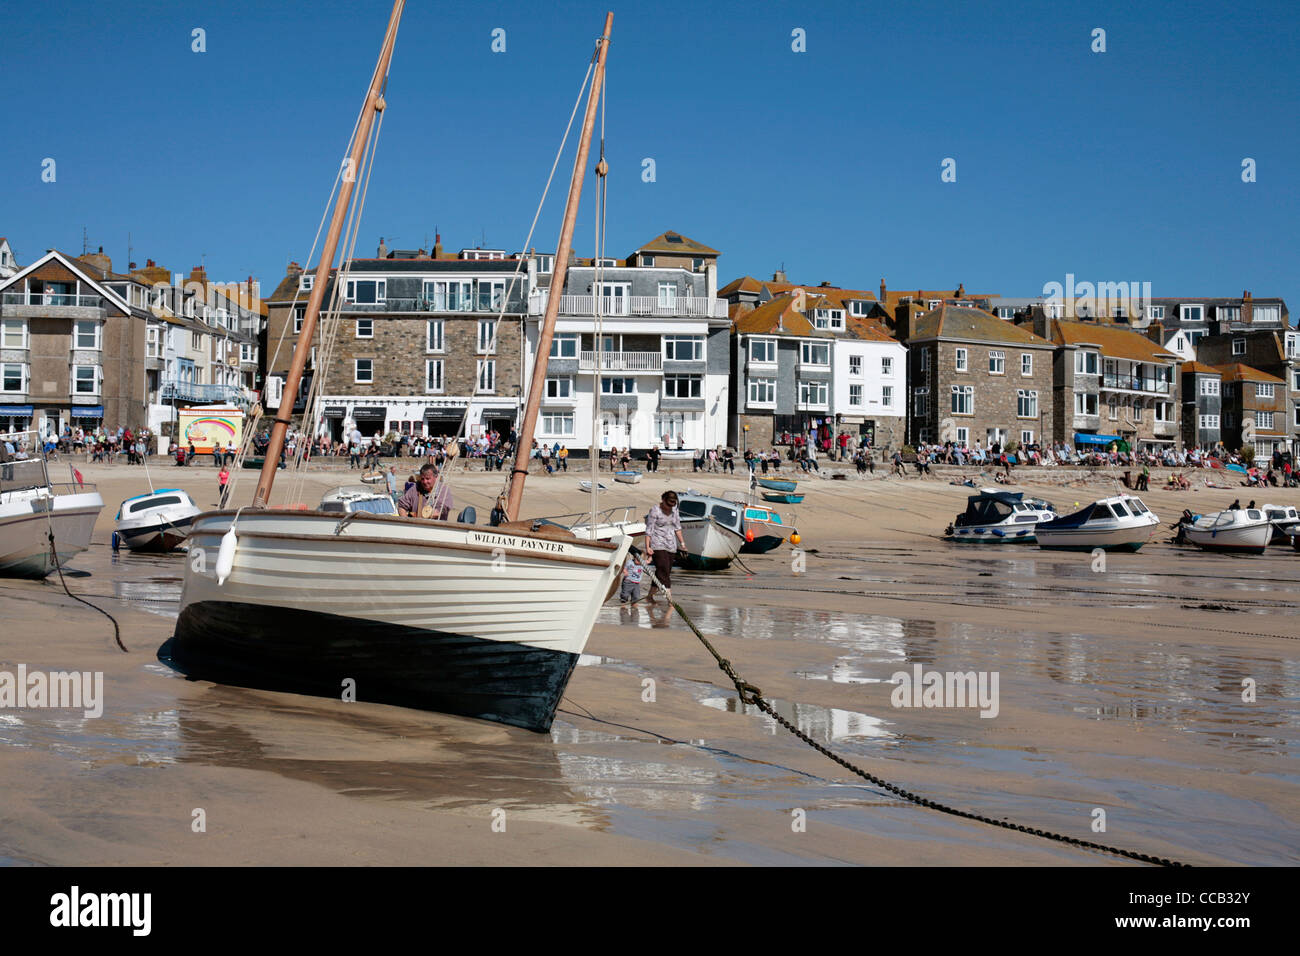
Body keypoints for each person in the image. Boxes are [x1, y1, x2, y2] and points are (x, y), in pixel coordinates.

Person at [644, 491, 685, 602]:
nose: (669, 508)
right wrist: (647, 547)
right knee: (663, 568)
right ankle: (669, 599)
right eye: (668, 505)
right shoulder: (655, 510)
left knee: (663, 572)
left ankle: (649, 596)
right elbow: (649, 530)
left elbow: (677, 528)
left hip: (671, 545)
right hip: (657, 544)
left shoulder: (674, 510)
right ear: (663, 500)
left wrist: (682, 544)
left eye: (672, 505)